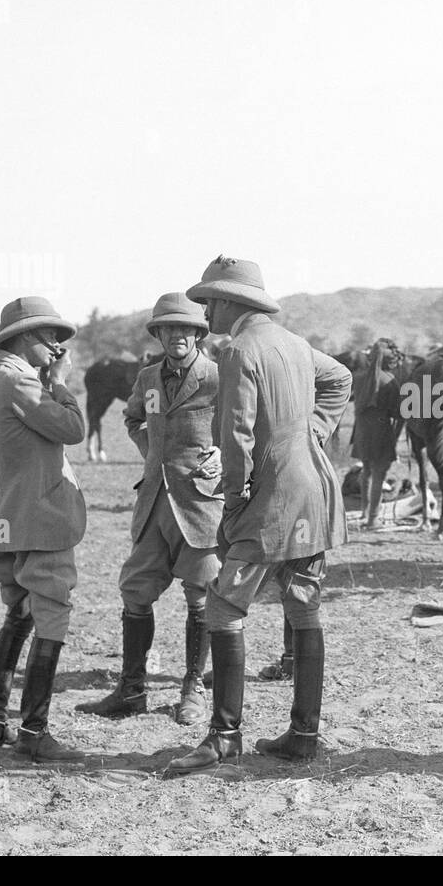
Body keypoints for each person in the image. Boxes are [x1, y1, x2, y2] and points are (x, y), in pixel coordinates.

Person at [166, 255, 351, 775]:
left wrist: (234, 500)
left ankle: (225, 736)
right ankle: (304, 735)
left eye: (207, 301)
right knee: (304, 606)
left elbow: (237, 437)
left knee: (224, 610)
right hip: (314, 491)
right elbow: (339, 376)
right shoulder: (292, 342)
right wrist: (315, 430)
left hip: (270, 500)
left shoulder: (241, 351)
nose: (203, 310)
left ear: (229, 301)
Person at [76, 293, 223, 725]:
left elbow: (245, 424)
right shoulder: (147, 378)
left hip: (200, 505)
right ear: (158, 334)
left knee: (201, 594)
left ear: (198, 333)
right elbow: (133, 418)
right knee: (136, 590)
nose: (177, 335)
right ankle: (131, 688)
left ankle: (193, 687)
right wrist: (152, 452)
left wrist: (223, 454)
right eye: (168, 329)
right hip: (155, 500)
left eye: (185, 329)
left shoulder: (220, 377)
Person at [0, 297, 86, 761]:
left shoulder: (0, 376)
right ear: (24, 337)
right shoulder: (20, 379)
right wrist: (60, 385)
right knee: (51, 613)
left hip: (13, 513)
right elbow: (73, 429)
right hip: (39, 517)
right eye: (51, 337)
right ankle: (35, 733)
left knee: (19, 612)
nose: (59, 346)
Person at [351, 338, 405, 530]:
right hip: (381, 431)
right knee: (379, 474)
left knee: (366, 471)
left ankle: (364, 512)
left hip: (361, 430)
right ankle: (373, 519)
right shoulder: (390, 381)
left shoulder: (357, 377)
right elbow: (399, 412)